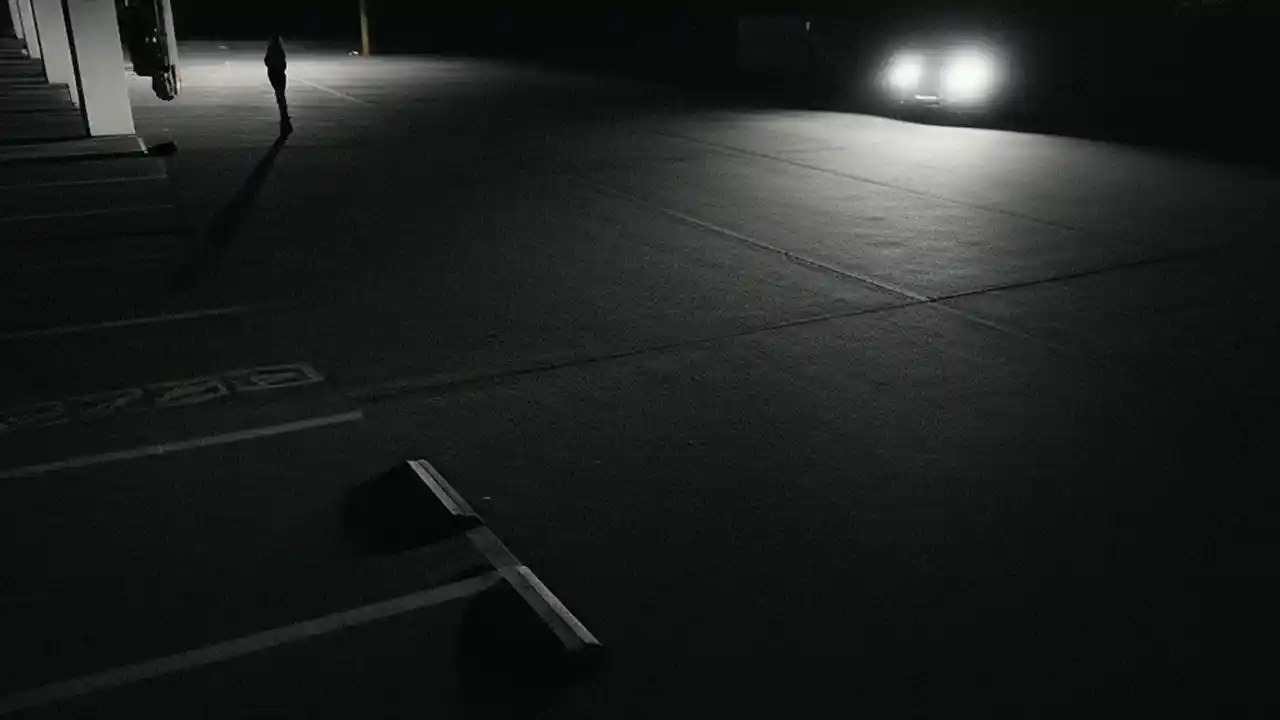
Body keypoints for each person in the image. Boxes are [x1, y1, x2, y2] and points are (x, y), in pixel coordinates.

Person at [265, 35, 292, 135]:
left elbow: (266, 61)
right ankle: (284, 113)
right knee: (281, 93)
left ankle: (283, 113)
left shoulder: (271, 49)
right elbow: (282, 62)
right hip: (278, 72)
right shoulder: (279, 49)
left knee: (279, 92)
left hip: (273, 72)